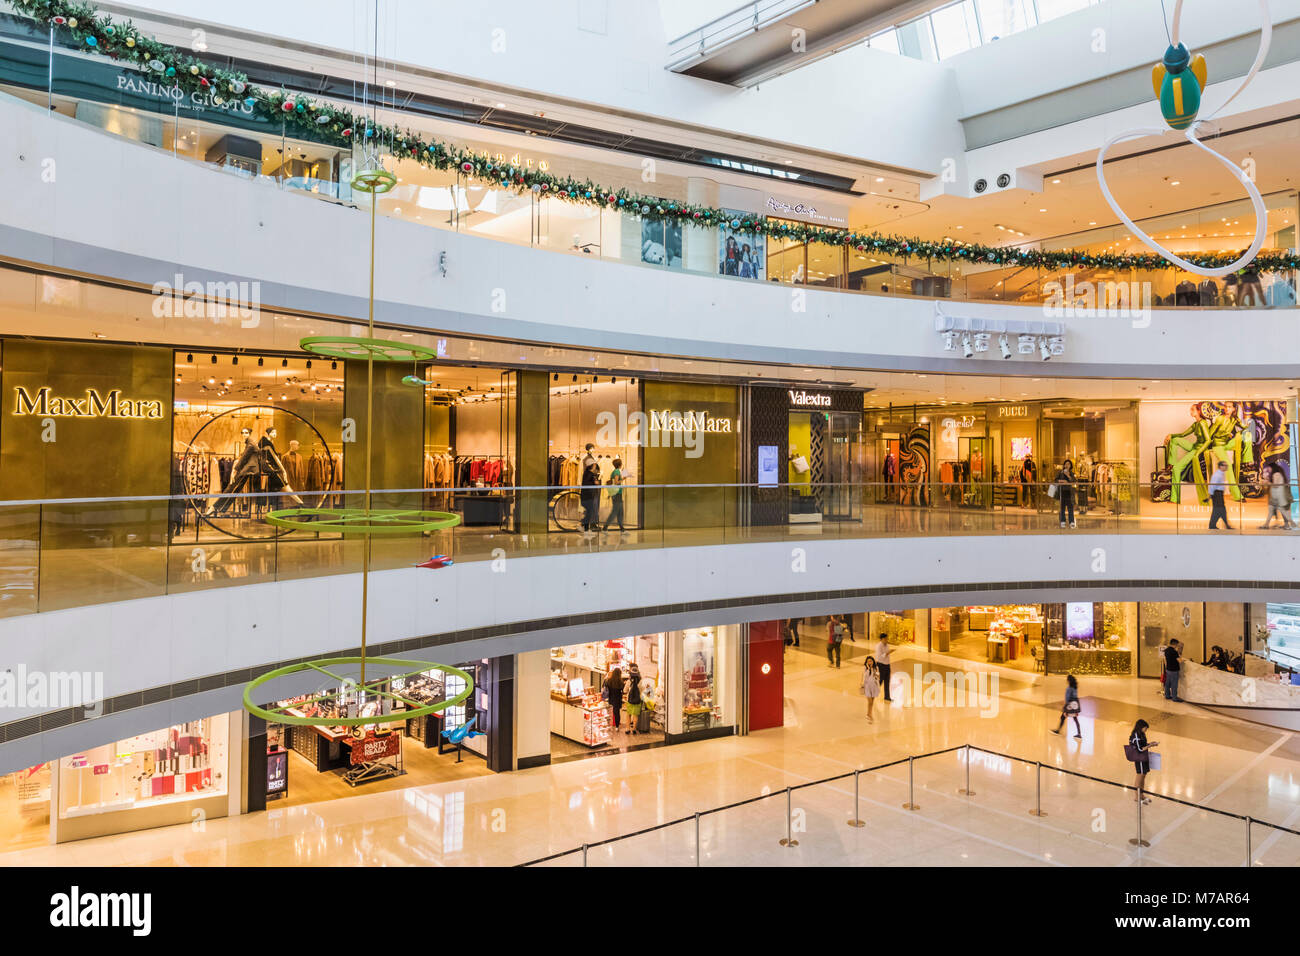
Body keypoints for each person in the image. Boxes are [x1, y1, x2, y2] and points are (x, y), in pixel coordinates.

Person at [1128, 718, 1158, 804]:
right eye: (1145, 728)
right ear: (1140, 727)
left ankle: (1141, 794)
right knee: (1139, 776)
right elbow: (1139, 749)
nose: (1146, 730)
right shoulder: (1136, 736)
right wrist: (1150, 746)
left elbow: (1143, 745)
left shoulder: (1141, 734)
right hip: (1139, 758)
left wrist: (1150, 744)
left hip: (1144, 756)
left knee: (1143, 775)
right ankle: (1137, 797)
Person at [580, 443, 601, 534]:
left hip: (588, 492)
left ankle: (587, 526)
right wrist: (597, 477)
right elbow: (593, 480)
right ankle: (589, 525)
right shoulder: (587, 459)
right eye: (591, 448)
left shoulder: (589, 459)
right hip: (590, 492)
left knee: (591, 508)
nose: (593, 449)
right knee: (592, 507)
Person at [1208, 459, 1233, 530]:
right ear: (1220, 466)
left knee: (1219, 510)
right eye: (1225, 465)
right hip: (1217, 494)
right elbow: (1212, 485)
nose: (1226, 467)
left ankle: (1214, 525)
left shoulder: (1221, 474)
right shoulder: (1217, 475)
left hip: (1218, 494)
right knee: (1220, 510)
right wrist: (1210, 495)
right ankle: (1223, 525)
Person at [603, 457, 626, 532]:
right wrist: (623, 479)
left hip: (616, 493)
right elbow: (616, 482)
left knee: (620, 510)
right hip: (616, 493)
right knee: (616, 511)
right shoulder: (617, 471)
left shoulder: (616, 471)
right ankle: (606, 526)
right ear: (620, 464)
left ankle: (621, 527)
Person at [603, 667, 625, 733]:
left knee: (609, 712)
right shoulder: (621, 682)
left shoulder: (609, 681)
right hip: (618, 699)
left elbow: (605, 686)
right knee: (617, 713)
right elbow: (623, 691)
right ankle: (617, 727)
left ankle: (607, 725)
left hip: (611, 698)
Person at [1055, 458, 1076, 528]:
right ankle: (1062, 521)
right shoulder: (1060, 473)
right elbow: (1055, 480)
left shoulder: (1072, 473)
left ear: (1070, 466)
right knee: (1062, 508)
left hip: (1069, 492)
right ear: (1064, 465)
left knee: (1070, 508)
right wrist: (1061, 481)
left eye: (1068, 464)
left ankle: (1071, 521)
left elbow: (1074, 481)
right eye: (1066, 464)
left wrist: (1068, 476)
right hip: (1062, 492)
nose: (1067, 465)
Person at [624, 662, 643, 735]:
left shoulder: (629, 681)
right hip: (638, 701)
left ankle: (627, 728)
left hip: (630, 700)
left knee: (628, 714)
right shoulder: (640, 682)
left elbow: (625, 690)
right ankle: (634, 728)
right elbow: (642, 691)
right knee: (635, 715)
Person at [860, 657, 881, 722]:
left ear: (873, 662)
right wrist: (869, 669)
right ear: (866, 662)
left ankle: (868, 714)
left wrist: (872, 670)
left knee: (872, 702)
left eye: (871, 661)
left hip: (874, 686)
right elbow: (864, 677)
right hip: (867, 687)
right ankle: (870, 715)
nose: (869, 662)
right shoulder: (865, 668)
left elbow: (877, 677)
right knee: (870, 702)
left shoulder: (876, 668)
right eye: (868, 661)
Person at [874, 634, 893, 702]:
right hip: (881, 665)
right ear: (881, 639)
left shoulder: (887, 645)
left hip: (887, 664)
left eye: (886, 639)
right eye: (885, 639)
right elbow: (879, 657)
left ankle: (887, 697)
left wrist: (888, 653)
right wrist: (888, 653)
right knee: (880, 680)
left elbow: (886, 655)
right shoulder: (878, 646)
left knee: (887, 681)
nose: (886, 640)